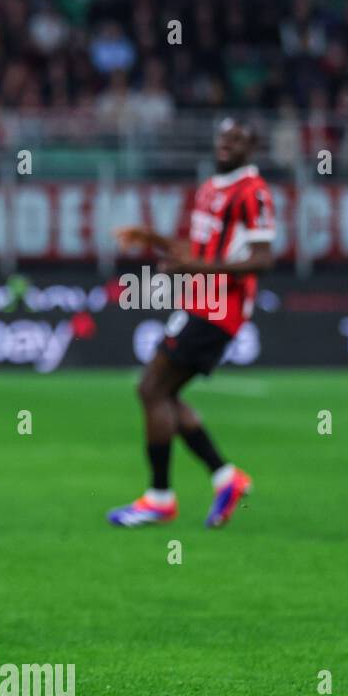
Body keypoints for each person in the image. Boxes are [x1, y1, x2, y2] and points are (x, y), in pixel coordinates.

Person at [109, 118, 274, 528]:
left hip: (220, 308)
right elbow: (197, 250)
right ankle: (225, 477)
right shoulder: (210, 188)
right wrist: (154, 239)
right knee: (162, 394)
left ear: (252, 145)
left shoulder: (253, 192)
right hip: (199, 302)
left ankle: (161, 497)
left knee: (151, 389)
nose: (225, 144)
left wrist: (196, 266)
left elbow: (262, 259)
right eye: (222, 136)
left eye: (236, 139)